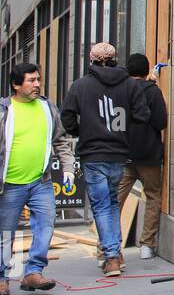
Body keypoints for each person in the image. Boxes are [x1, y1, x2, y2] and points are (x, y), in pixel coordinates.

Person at [0, 62, 75, 295]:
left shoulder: (48, 107)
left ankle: (33, 272)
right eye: (31, 80)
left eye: (38, 79)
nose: (37, 84)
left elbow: (60, 140)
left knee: (45, 226)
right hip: (9, 186)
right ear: (16, 85)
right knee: (5, 232)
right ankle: (1, 276)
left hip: (40, 182)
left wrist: (68, 168)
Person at [62, 42, 150, 277]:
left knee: (102, 206)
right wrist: (123, 130)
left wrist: (83, 130)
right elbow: (143, 116)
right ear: (115, 60)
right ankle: (116, 252)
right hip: (118, 153)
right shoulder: (130, 85)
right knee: (110, 203)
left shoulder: (81, 86)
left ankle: (111, 255)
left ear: (91, 61)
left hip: (93, 153)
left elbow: (67, 116)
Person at [114, 54, 168, 261]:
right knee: (153, 196)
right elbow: (160, 121)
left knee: (114, 201)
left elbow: (116, 124)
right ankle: (147, 245)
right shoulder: (153, 92)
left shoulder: (120, 93)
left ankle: (110, 247)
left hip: (124, 155)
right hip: (149, 154)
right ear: (147, 72)